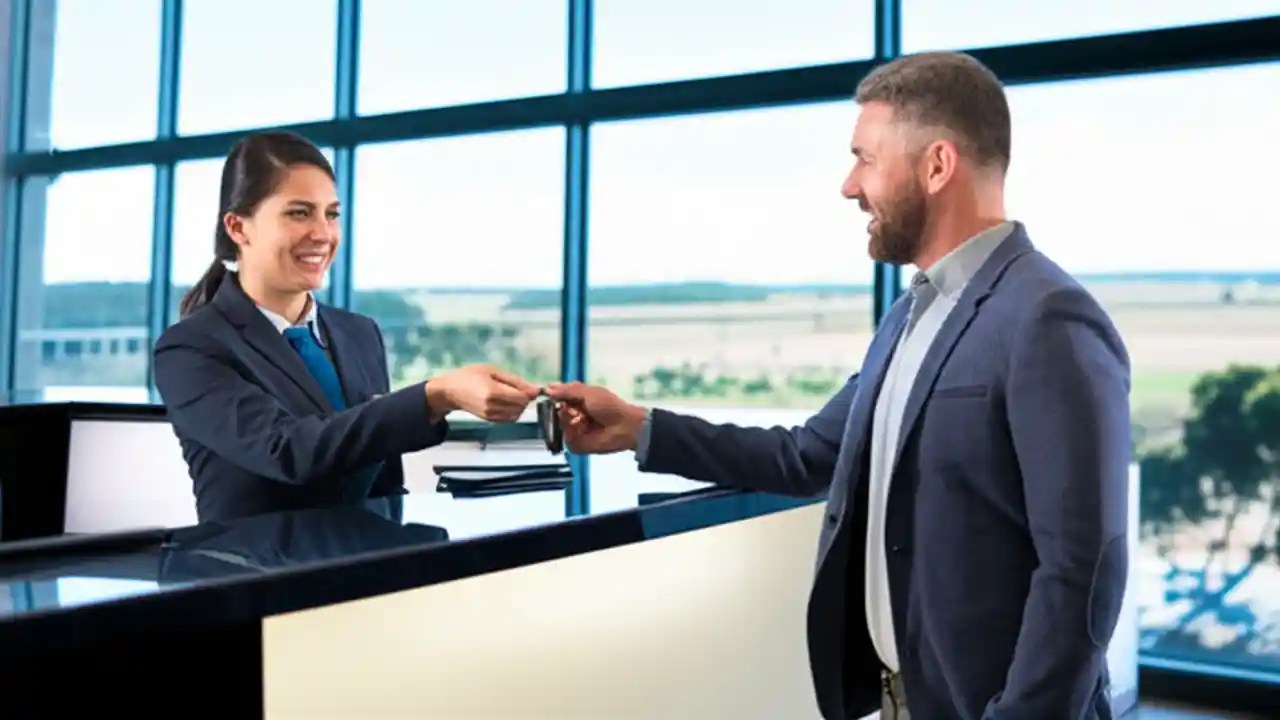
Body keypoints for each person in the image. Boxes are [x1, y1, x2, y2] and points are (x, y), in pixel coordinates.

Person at [548, 52, 1131, 720]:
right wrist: (637, 427)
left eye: (865, 157)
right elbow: (806, 455)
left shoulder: (1047, 318)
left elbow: (1085, 569)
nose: (849, 186)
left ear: (937, 165)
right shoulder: (910, 314)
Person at [154, 130, 539, 523]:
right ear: (238, 228)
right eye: (299, 213)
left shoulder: (359, 334)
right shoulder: (190, 349)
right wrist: (435, 396)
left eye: (331, 214)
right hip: (255, 575)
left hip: (365, 571)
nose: (323, 234)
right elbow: (287, 451)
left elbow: (383, 480)